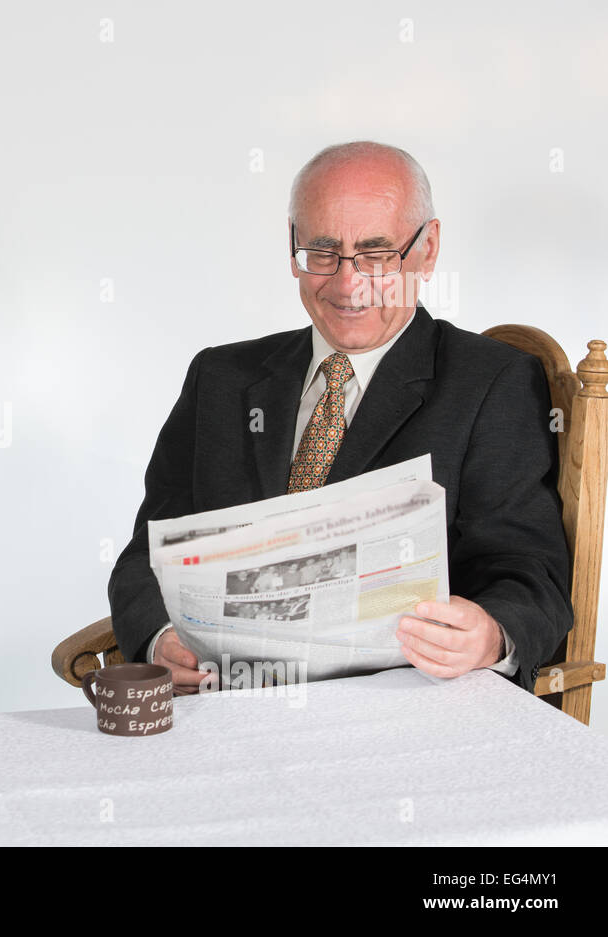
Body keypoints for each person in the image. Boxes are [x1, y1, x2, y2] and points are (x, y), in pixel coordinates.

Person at [108, 141, 571, 696]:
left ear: (427, 250)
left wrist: (490, 634)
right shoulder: (220, 378)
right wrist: (159, 637)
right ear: (292, 246)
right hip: (224, 704)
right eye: (322, 253)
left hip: (400, 713)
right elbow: (149, 550)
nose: (348, 285)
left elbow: (528, 569)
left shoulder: (492, 383)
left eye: (376, 254)